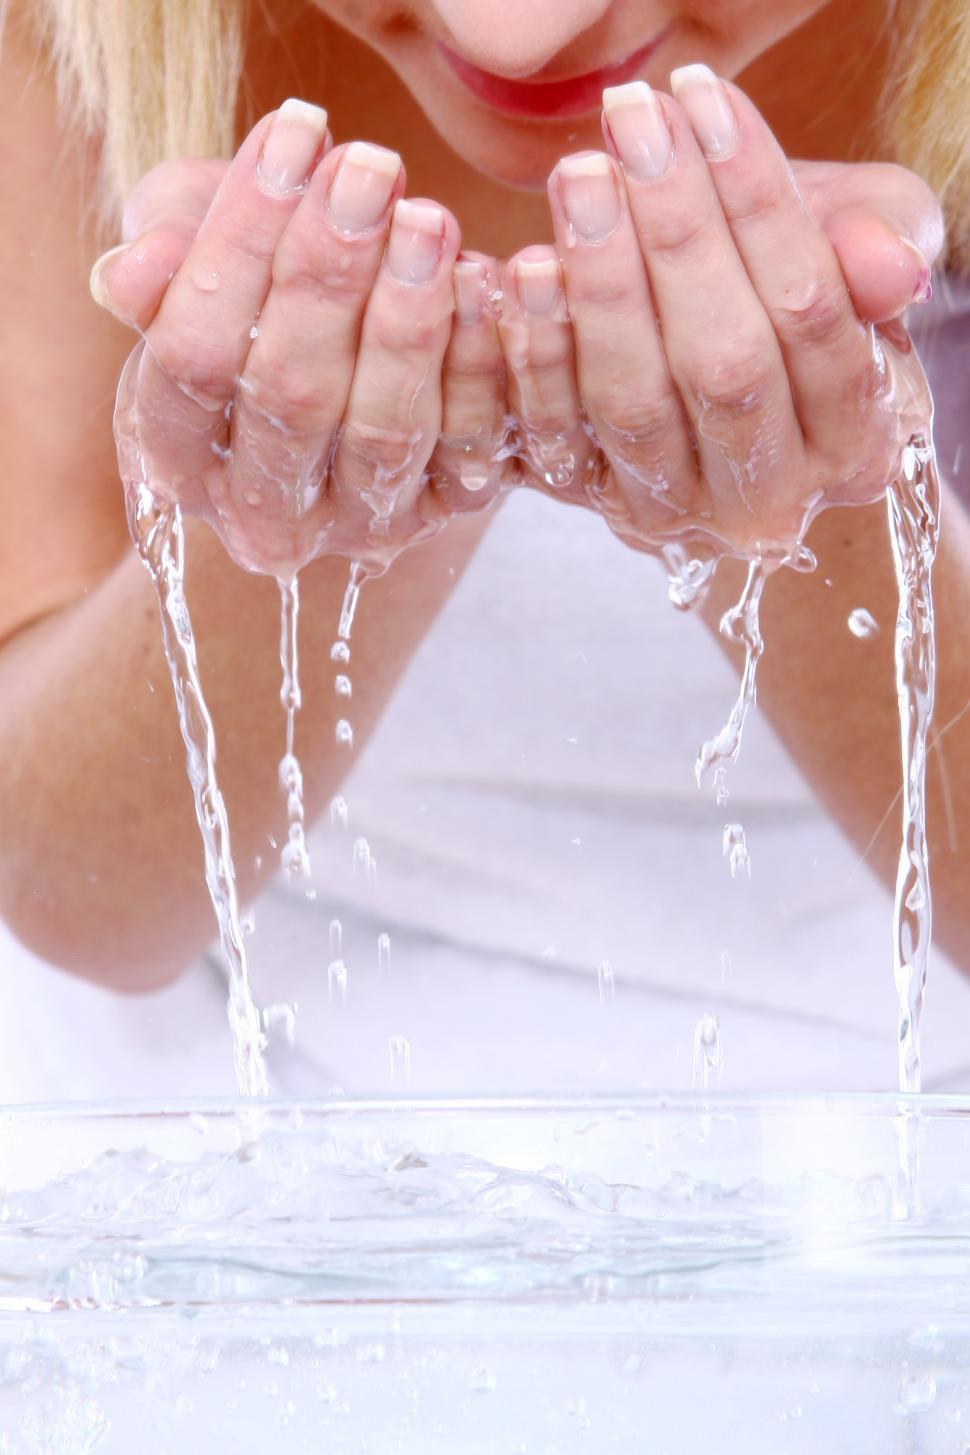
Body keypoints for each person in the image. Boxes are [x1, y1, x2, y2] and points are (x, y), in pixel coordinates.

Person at [0, 0, 967, 1100]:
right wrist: (309, 507)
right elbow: (80, 898)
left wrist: (820, 494)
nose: (514, 41)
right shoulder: (91, 28)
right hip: (238, 1126)